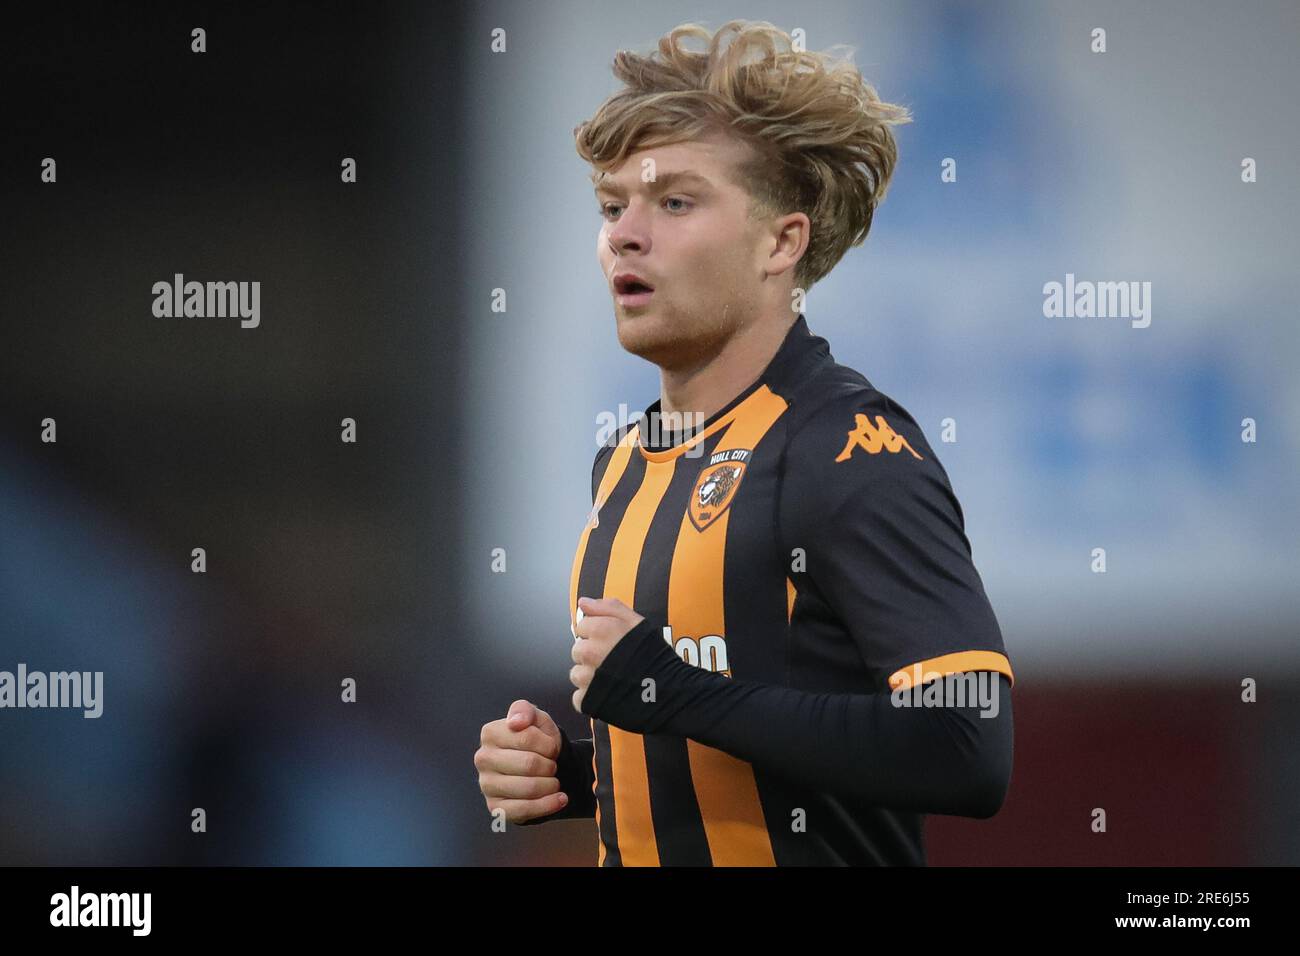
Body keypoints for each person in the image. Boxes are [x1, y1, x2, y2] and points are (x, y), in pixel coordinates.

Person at [476, 19, 1014, 866]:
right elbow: (749, 744)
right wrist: (572, 777)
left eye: (676, 202)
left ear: (781, 241)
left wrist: (671, 690)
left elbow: (966, 746)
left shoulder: (850, 451)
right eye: (612, 206)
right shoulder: (621, 463)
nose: (625, 232)